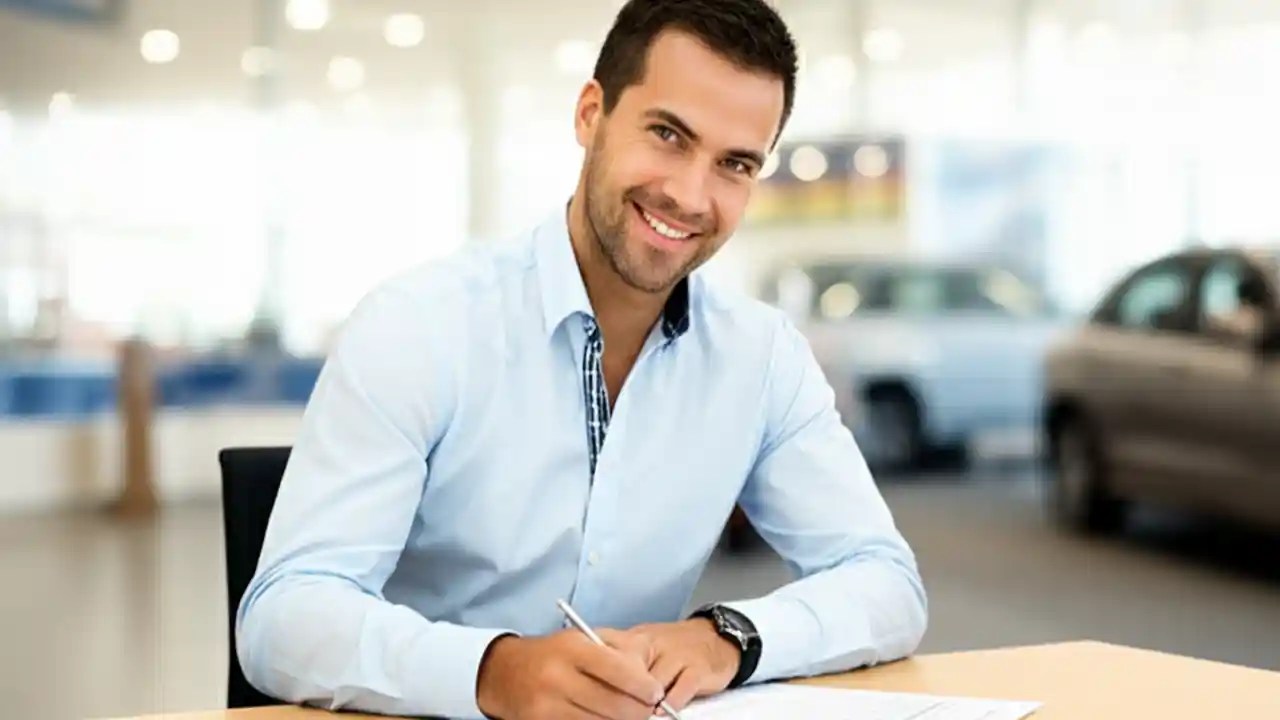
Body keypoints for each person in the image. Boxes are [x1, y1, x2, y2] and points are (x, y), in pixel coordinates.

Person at [236, 1, 927, 718]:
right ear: (591, 114)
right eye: (668, 134)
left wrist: (729, 636)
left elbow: (886, 584)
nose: (690, 195)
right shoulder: (419, 326)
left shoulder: (761, 358)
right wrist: (493, 671)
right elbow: (283, 619)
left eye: (734, 164)